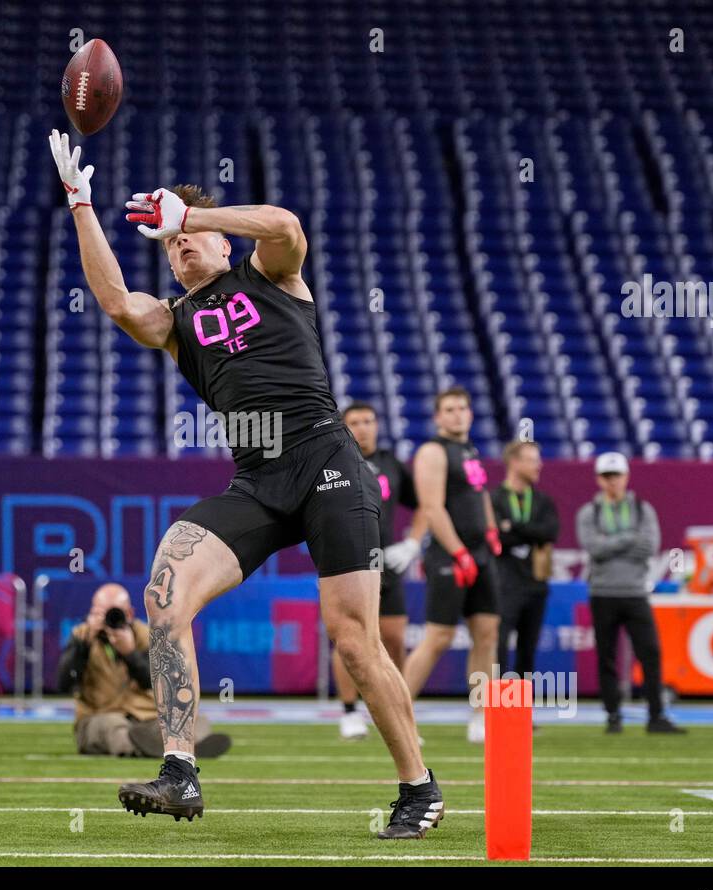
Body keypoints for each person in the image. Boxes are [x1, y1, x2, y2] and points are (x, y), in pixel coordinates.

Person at [50, 129, 440, 838]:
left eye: (188, 238)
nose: (179, 248)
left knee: (354, 640)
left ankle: (419, 787)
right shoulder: (177, 322)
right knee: (164, 591)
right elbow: (115, 302)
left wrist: (191, 214)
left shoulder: (271, 276)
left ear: (223, 244)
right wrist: (81, 204)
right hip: (258, 477)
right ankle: (181, 770)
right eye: (169, 245)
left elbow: (286, 225)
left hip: (325, 458)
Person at [399, 387, 502, 745]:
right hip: (449, 555)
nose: (458, 414)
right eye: (450, 409)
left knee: (487, 635)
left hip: (480, 554)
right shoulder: (433, 451)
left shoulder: (470, 449)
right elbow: (432, 508)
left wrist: (491, 533)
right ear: (438, 416)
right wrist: (459, 552)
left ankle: (480, 716)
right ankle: (401, 717)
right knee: (437, 638)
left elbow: (480, 494)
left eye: (463, 408)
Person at [58, 583, 231, 758]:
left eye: (115, 613)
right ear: (92, 613)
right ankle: (171, 748)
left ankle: (156, 746)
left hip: (145, 720)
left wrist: (130, 654)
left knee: (193, 719)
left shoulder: (147, 635)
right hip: (100, 716)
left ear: (129, 614)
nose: (109, 619)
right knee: (112, 727)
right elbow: (64, 683)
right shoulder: (81, 637)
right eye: (100, 613)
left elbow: (160, 683)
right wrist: (83, 647)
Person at [336, 401, 425, 740]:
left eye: (368, 420)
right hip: (349, 559)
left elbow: (424, 506)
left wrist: (413, 542)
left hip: (386, 561)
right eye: (355, 421)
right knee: (349, 639)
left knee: (394, 639)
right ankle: (349, 711)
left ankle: (397, 712)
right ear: (345, 426)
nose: (363, 427)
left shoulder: (392, 464)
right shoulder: (337, 460)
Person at [576, 452, 683, 734]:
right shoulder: (590, 512)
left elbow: (649, 546)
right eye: (607, 477)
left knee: (650, 652)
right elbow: (593, 548)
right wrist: (627, 540)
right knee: (606, 656)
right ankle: (613, 714)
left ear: (626, 476)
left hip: (635, 591)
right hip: (603, 592)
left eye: (617, 476)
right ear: (599, 479)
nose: (613, 482)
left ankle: (656, 714)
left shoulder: (642, 509)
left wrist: (611, 544)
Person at [490, 440, 560, 677]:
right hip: (503, 585)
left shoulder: (543, 500)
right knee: (497, 646)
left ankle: (521, 710)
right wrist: (529, 532)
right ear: (514, 462)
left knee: (527, 651)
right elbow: (497, 537)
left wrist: (513, 526)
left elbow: (549, 533)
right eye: (532, 460)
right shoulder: (495, 498)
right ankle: (497, 707)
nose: (538, 466)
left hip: (535, 585)